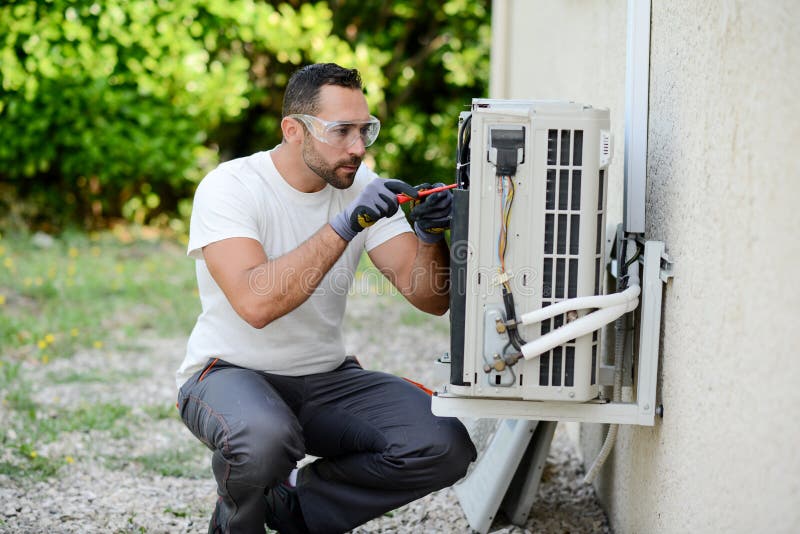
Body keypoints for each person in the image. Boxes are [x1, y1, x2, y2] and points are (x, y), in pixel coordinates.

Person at [175, 63, 476, 534]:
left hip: (325, 379)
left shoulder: (359, 185)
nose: (358, 148)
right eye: (342, 131)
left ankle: (291, 508)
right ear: (293, 130)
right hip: (228, 374)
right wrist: (342, 227)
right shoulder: (230, 186)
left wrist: (429, 234)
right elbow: (258, 304)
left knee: (441, 442)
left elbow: (429, 297)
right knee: (262, 437)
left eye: (365, 130)